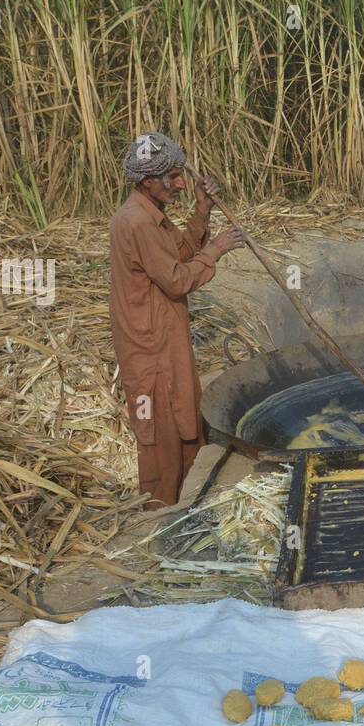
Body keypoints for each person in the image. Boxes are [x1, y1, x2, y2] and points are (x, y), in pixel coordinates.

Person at [108, 132, 245, 509]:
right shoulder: (135, 222)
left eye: (180, 175)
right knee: (160, 436)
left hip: (167, 340)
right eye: (172, 177)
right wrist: (215, 250)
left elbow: (180, 256)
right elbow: (177, 279)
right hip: (150, 351)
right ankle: (160, 514)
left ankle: (187, 502)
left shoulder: (152, 216)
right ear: (147, 181)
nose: (180, 184)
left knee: (185, 416)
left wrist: (202, 211)